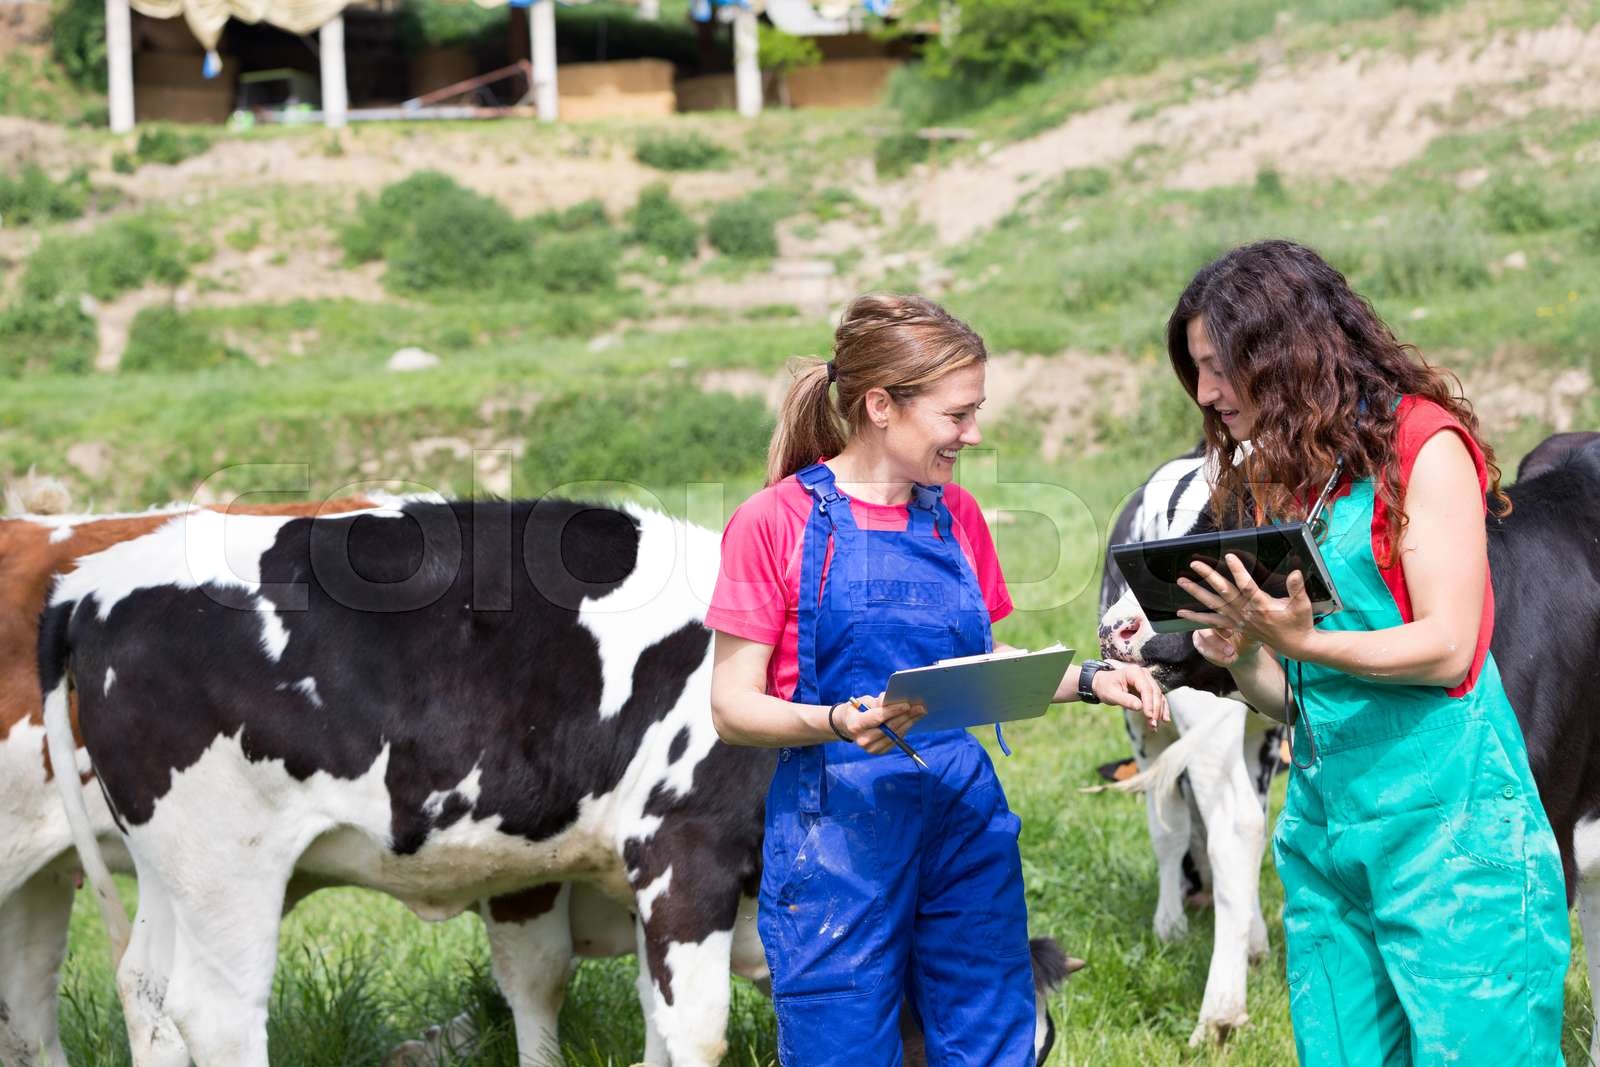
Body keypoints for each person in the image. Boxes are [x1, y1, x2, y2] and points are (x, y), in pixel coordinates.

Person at [706, 293, 1168, 1065]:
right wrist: (832, 721)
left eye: (976, 410)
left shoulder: (958, 516)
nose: (974, 433)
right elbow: (731, 705)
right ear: (882, 405)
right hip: (838, 829)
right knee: (842, 1047)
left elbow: (977, 663)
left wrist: (1090, 679)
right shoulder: (774, 522)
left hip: (963, 817)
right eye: (957, 415)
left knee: (989, 1036)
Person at [1166, 240, 1569, 1064]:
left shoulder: (1425, 445)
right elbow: (1299, 694)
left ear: (1278, 349)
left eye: (1216, 367)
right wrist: (1242, 652)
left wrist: (1302, 637)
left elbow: (1450, 645)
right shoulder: (1289, 470)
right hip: (1328, 830)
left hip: (1454, 835)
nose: (1205, 393)